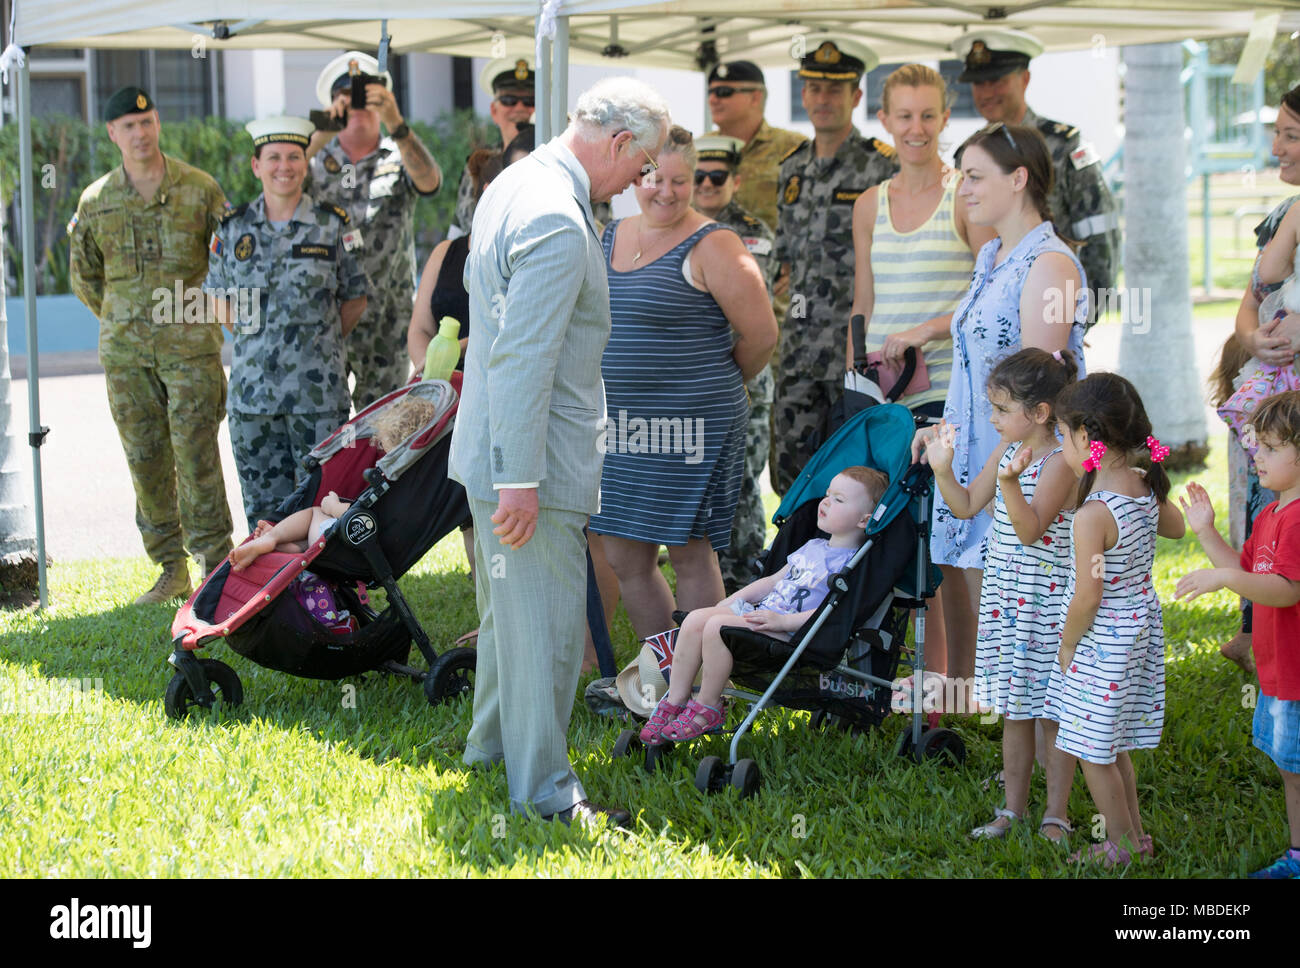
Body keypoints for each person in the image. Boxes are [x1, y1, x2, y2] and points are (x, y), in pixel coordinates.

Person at [449, 77, 671, 828]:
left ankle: (488, 753)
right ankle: (543, 792)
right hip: (529, 460)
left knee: (509, 620)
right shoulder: (554, 215)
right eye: (640, 167)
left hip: (499, 448)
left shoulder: (517, 182)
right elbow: (525, 356)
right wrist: (520, 480)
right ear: (615, 142)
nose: (640, 184)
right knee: (544, 631)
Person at [912, 123, 1086, 714]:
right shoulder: (992, 253)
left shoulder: (1052, 264)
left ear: (1019, 179)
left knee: (1013, 597)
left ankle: (1035, 727)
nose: (964, 188)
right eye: (962, 176)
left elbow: (1041, 391)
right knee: (959, 573)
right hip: (970, 442)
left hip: (1017, 458)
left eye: (976, 175)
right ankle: (960, 706)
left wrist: (998, 465)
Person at [589, 126, 777, 644]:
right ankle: (665, 665)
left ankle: (703, 683)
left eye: (679, 180)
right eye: (651, 176)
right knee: (625, 552)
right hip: (622, 424)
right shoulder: (607, 234)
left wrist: (703, 385)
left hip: (692, 425)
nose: (664, 191)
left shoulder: (716, 244)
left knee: (691, 549)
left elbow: (762, 337)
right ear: (633, 175)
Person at [67, 85, 233, 605]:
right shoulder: (95, 201)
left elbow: (230, 263)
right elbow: (85, 278)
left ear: (157, 124)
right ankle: (170, 569)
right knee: (145, 460)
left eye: (148, 123)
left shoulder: (201, 189)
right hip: (126, 358)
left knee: (197, 455)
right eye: (128, 126)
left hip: (192, 354)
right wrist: (126, 319)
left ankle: (214, 566)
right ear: (113, 133)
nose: (140, 133)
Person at [922, 348, 1079, 844]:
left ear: (1040, 413)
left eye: (1001, 409)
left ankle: (1056, 813)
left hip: (1047, 604)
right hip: (1008, 600)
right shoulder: (1005, 451)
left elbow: (1031, 530)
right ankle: (1011, 809)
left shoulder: (1061, 462)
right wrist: (942, 469)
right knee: (1015, 709)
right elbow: (967, 505)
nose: (991, 419)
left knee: (1050, 712)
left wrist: (1010, 482)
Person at [1044, 373, 1184, 867]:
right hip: (1137, 633)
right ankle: (1136, 838)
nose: (1062, 445)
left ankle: (1120, 848)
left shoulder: (1094, 514)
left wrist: (1066, 644)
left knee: (1091, 751)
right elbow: (1177, 526)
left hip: (1102, 642)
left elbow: (1088, 594)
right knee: (1112, 741)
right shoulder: (1144, 484)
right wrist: (1152, 465)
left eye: (1063, 434)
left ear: (1087, 436)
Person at [639, 467, 887, 745]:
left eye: (839, 500)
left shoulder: (852, 566)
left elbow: (833, 614)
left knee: (716, 627)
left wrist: (783, 622)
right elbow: (771, 582)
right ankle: (675, 702)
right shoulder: (813, 546)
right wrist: (733, 601)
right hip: (764, 614)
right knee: (695, 620)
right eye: (827, 495)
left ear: (865, 520)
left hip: (791, 630)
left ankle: (708, 706)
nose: (826, 502)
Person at [204, 116, 368, 531]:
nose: (284, 166)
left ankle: (324, 594)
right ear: (256, 165)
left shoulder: (335, 224)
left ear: (305, 163)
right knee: (263, 515)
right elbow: (216, 296)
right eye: (273, 157)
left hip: (318, 400)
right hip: (253, 401)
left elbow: (355, 299)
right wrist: (251, 336)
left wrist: (317, 342)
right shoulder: (232, 227)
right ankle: (271, 595)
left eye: (294, 156)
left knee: (322, 506)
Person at [1177, 391, 1300, 878]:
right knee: (1291, 769)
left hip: (1295, 672)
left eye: (1270, 448)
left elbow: (1286, 590)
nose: (1258, 457)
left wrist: (1225, 580)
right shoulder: (1271, 513)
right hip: (1277, 671)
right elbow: (1245, 570)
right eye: (1257, 447)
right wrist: (1206, 532)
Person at [773, 36, 899, 494]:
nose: (822, 99)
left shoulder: (880, 168)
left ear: (856, 97)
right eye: (813, 88)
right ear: (803, 94)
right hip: (799, 348)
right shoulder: (792, 169)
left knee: (854, 472)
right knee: (790, 468)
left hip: (854, 349)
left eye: (834, 90)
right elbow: (785, 260)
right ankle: (792, 562)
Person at [307, 51, 443, 411]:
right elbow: (275, 184)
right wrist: (324, 126)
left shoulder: (398, 155)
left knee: (380, 433)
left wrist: (397, 123)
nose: (358, 107)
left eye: (368, 98)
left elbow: (431, 182)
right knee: (324, 428)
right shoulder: (313, 159)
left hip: (388, 320)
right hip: (327, 316)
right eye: (349, 98)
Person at [953, 28, 1121, 317]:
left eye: (998, 80)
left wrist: (1078, 318)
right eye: (979, 83)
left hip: (1053, 310)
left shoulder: (1066, 145)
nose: (987, 92)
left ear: (1025, 79)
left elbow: (1101, 240)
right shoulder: (967, 154)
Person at [1228, 85, 1300, 675]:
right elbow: (1250, 301)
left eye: (1291, 135)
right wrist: (1253, 337)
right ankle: (1264, 640)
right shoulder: (1283, 214)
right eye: (1278, 132)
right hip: (1278, 398)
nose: (1276, 146)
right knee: (1272, 514)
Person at [691, 134, 778, 592]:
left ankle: (742, 575)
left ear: (736, 179)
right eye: (698, 175)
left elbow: (749, 315)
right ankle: (703, 569)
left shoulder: (752, 236)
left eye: (717, 176)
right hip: (687, 380)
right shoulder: (673, 230)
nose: (706, 184)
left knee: (742, 478)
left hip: (742, 376)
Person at [229, 395, 435, 571]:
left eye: (386, 445)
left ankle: (273, 538)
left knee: (315, 513)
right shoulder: (418, 482)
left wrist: (334, 507)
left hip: (358, 543)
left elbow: (372, 517)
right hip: (358, 544)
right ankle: (288, 546)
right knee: (314, 532)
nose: (381, 451)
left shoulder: (396, 477)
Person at [408, 126, 535, 376]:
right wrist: (431, 369)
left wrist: (454, 351)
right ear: (490, 192)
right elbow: (420, 328)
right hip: (443, 388)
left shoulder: (529, 254)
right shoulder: (446, 252)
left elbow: (511, 327)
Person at [704, 60, 806, 235]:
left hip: (772, 258)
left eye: (723, 92)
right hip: (709, 256)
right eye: (710, 92)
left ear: (755, 97)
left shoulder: (793, 146)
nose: (713, 100)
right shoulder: (699, 149)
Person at [448, 57, 536, 238]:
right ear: (494, 111)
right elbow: (459, 229)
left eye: (529, 101)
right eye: (509, 100)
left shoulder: (557, 163)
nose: (519, 107)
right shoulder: (479, 165)